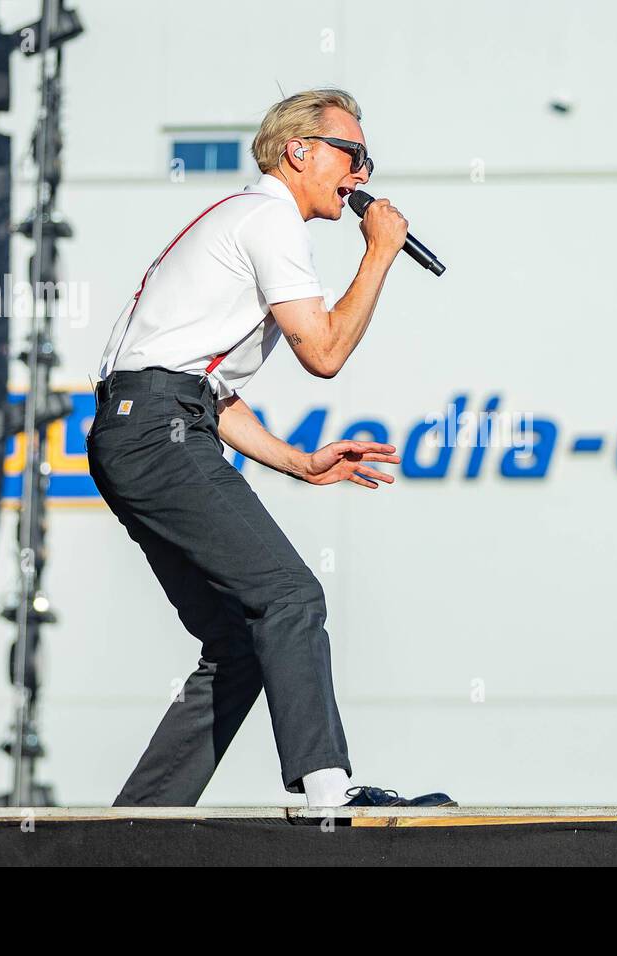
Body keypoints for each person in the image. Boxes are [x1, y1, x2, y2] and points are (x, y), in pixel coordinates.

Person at [88, 88, 451, 809]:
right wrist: (378, 252)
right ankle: (328, 792)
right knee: (289, 594)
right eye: (353, 156)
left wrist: (294, 458)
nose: (361, 175)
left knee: (237, 645)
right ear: (299, 151)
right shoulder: (269, 219)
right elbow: (324, 351)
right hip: (156, 428)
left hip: (146, 422)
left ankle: (140, 823)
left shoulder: (244, 220)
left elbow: (203, 383)